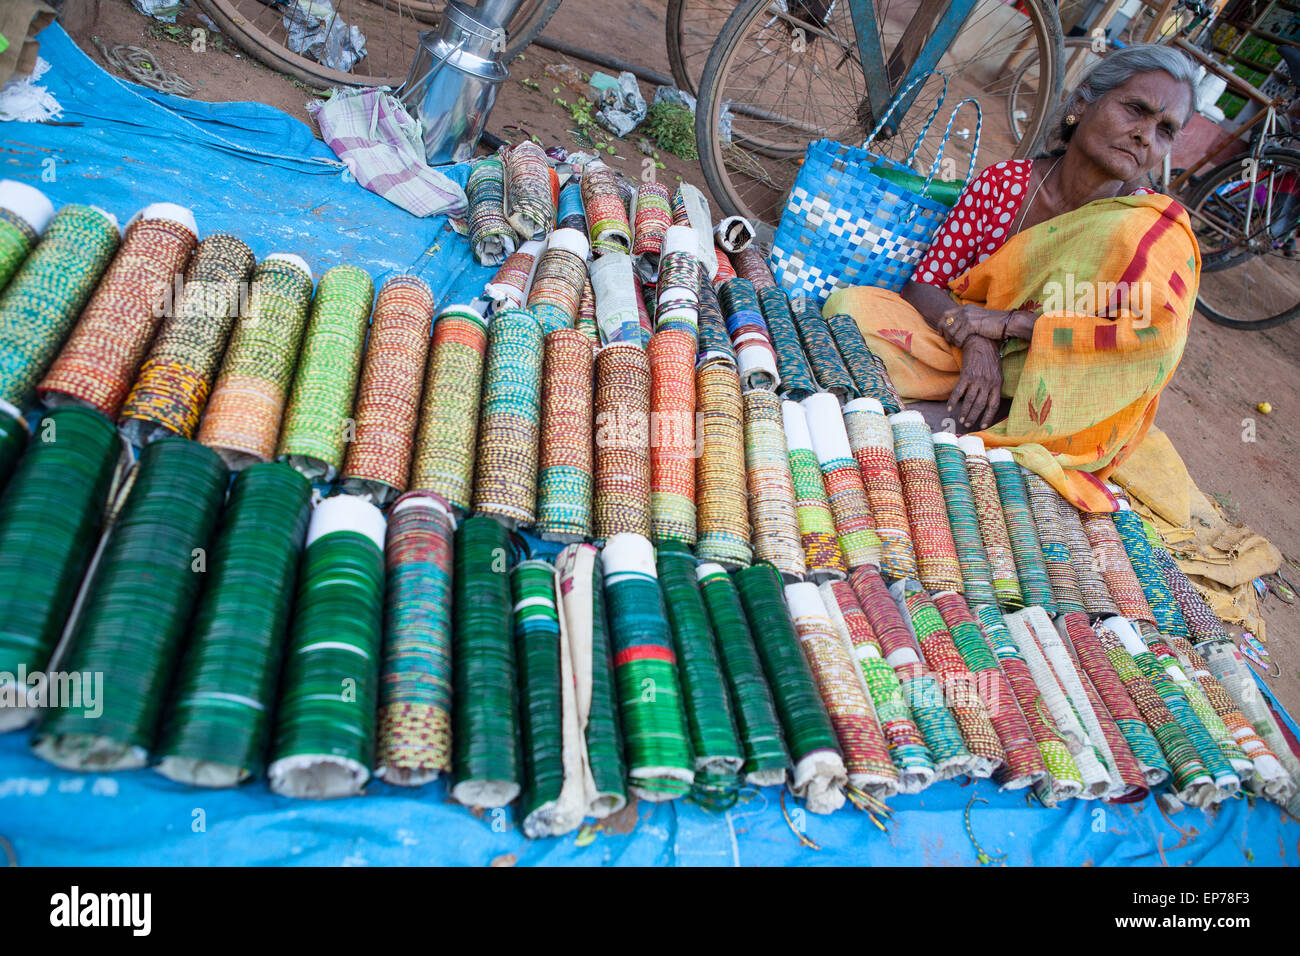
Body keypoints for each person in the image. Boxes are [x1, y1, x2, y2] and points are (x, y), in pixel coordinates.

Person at [825, 44, 1202, 511]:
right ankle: (962, 420)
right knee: (852, 307)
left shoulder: (1143, 229)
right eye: (1135, 110)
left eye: (1165, 130)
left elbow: (1154, 339)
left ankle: (993, 424)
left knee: (889, 410)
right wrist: (978, 346)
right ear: (1081, 104)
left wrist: (1009, 325)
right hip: (957, 355)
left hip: (1054, 392)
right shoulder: (1005, 184)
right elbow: (925, 283)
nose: (1145, 135)